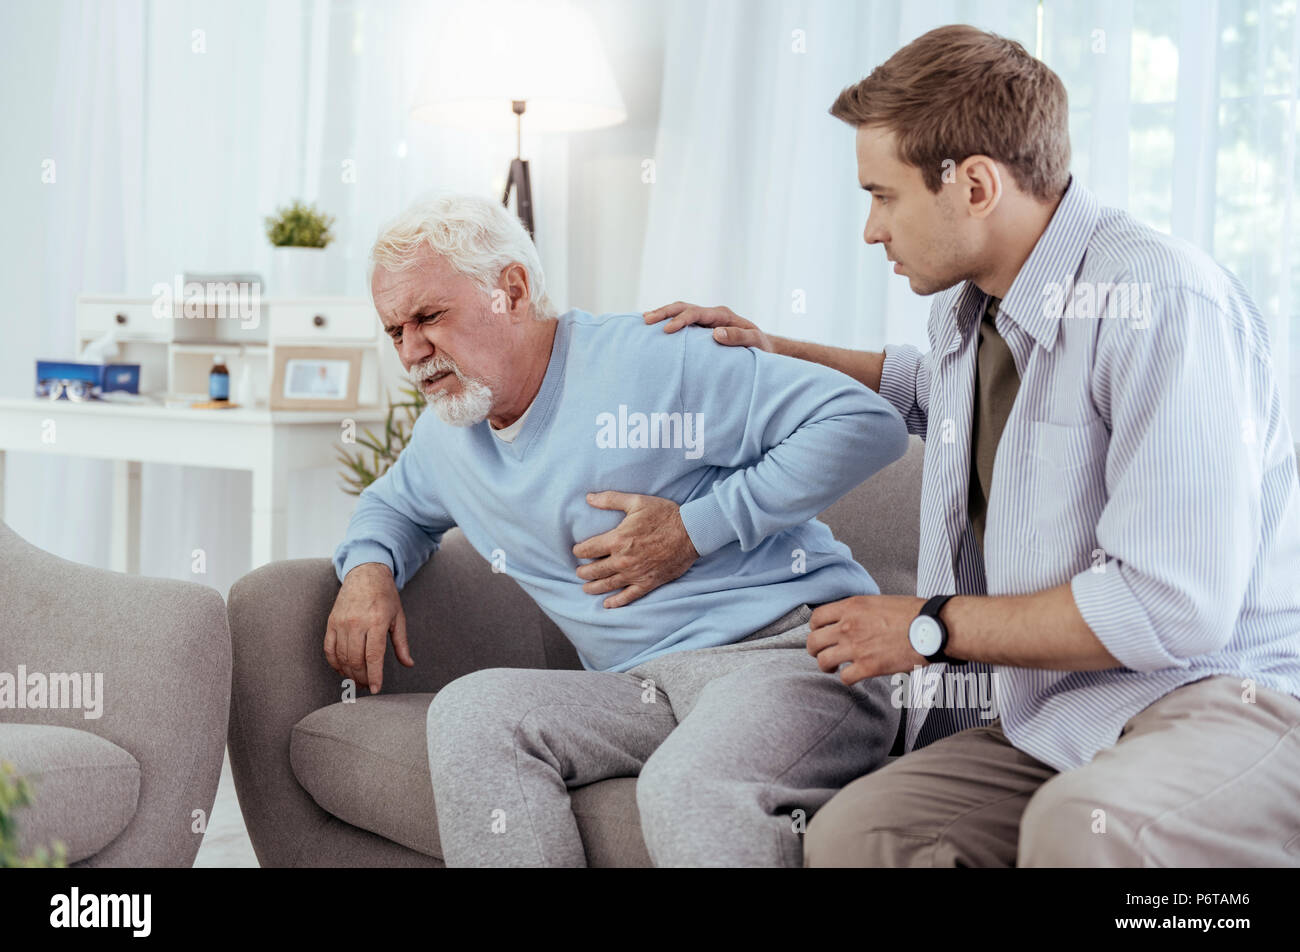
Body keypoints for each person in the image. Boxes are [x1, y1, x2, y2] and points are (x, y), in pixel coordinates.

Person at [645, 24, 1300, 866]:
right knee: (858, 834)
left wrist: (927, 628)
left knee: (1078, 826)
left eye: (883, 195)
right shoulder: (975, 310)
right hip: (1064, 714)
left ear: (976, 185)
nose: (870, 230)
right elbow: (934, 391)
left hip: (1220, 699)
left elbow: (1170, 605)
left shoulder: (1157, 300)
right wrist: (778, 351)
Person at [329, 193, 911, 866]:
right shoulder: (449, 436)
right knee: (473, 712)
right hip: (641, 688)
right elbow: (390, 506)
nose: (412, 351)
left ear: (511, 290)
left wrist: (696, 528)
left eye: (429, 316)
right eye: (395, 330)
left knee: (687, 786)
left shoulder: (653, 357)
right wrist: (368, 570)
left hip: (791, 654)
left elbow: (866, 423)